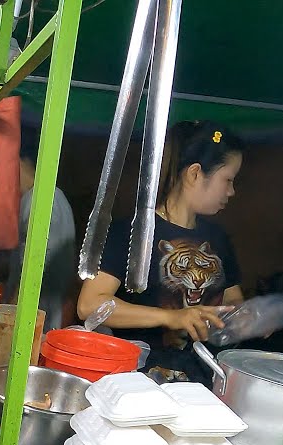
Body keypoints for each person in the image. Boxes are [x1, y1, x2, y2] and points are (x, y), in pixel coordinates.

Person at [77, 120, 245, 383]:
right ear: (195, 174)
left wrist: (249, 317)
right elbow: (89, 304)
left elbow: (233, 299)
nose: (232, 191)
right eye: (228, 180)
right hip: (138, 380)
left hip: (204, 383)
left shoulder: (218, 239)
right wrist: (171, 317)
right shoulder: (133, 232)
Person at [6, 140, 76, 331]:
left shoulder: (43, 199)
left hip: (34, 314)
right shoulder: (39, 197)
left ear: (21, 162)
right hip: (41, 312)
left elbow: (35, 263)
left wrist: (10, 314)